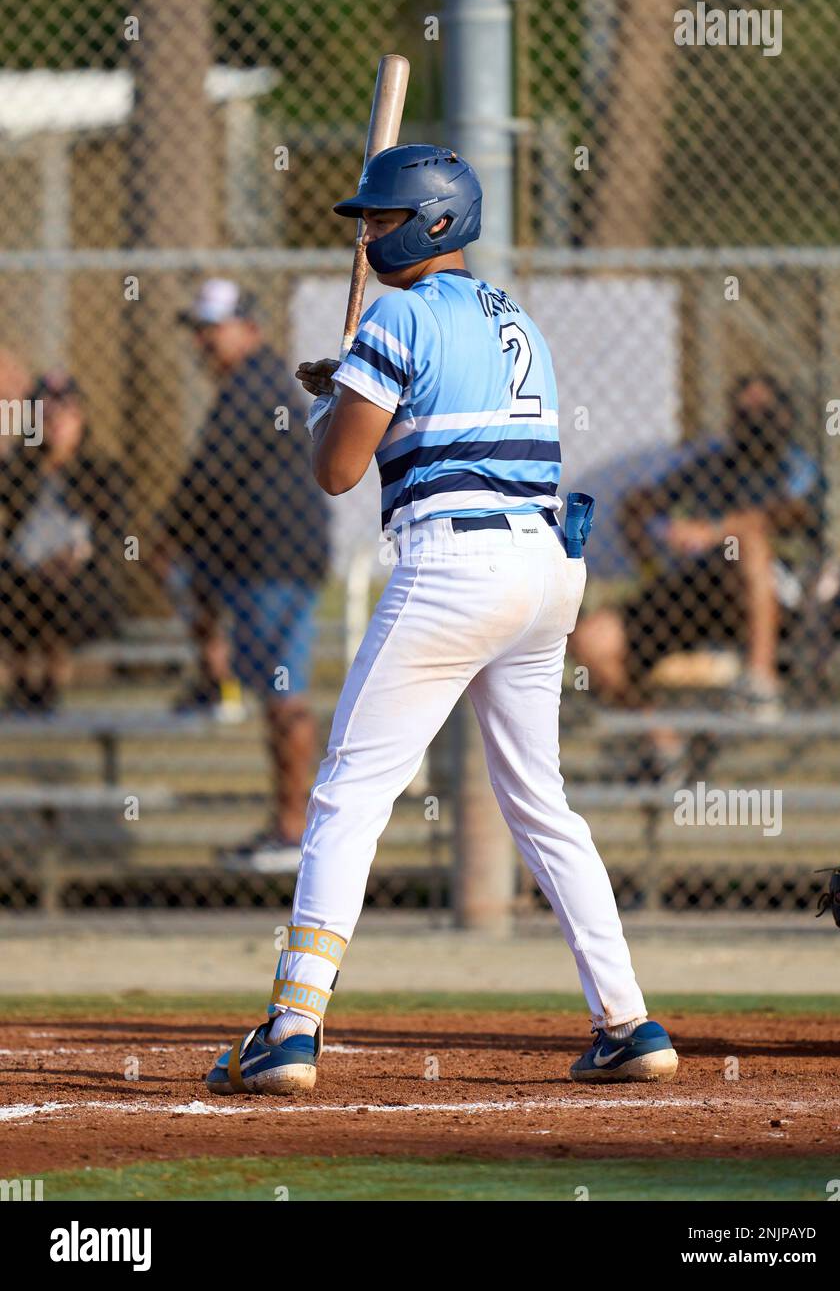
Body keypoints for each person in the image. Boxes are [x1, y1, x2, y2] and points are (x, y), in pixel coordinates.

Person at [206, 144, 677, 1095]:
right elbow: (441, 415)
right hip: (547, 571)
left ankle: (291, 1027)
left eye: (380, 222)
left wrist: (339, 398)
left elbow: (336, 470)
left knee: (348, 790)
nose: (368, 236)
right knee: (540, 800)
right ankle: (628, 1023)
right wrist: (351, 385)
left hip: (457, 566)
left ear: (432, 223)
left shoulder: (397, 315)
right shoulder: (519, 319)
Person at [161, 281, 330, 872]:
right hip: (256, 561)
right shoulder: (247, 384)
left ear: (250, 328)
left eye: (215, 328)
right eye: (200, 330)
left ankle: (294, 829)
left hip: (275, 564)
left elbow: (209, 475)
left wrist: (164, 534)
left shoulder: (255, 386)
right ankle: (217, 681)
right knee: (275, 694)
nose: (204, 341)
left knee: (287, 699)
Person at [568, 375, 823, 763]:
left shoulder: (796, 465)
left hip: (768, 598)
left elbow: (793, 512)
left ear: (785, 416)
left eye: (765, 411)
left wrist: (716, 531)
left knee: (747, 546)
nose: (754, 420)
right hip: (696, 592)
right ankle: (665, 746)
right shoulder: (715, 462)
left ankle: (760, 682)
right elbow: (638, 505)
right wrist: (656, 557)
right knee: (593, 638)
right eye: (745, 411)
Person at [0, 373, 127, 711]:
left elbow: (114, 538)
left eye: (64, 414)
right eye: (45, 414)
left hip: (78, 579)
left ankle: (52, 682)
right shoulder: (18, 471)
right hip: (23, 576)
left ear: (80, 419)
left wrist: (76, 556)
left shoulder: (100, 474)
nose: (55, 423)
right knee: (14, 583)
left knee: (53, 587)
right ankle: (22, 682)